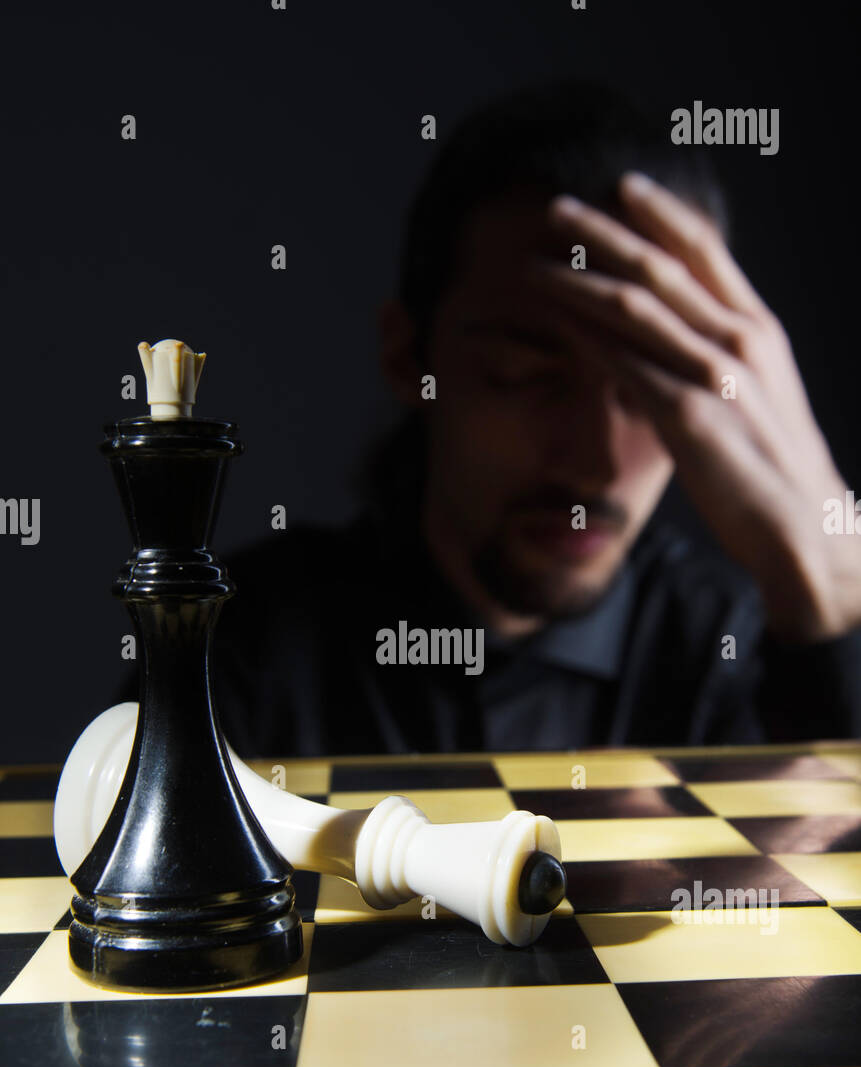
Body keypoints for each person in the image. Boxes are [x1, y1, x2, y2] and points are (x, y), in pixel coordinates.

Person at [210, 79, 861, 757]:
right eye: (524, 378)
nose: (595, 463)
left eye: (650, 390)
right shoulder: (244, 649)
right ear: (409, 357)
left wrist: (833, 600)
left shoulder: (743, 650)